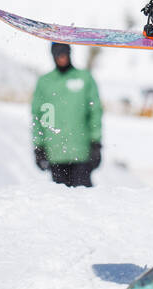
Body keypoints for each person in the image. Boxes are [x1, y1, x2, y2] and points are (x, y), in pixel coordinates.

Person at [31, 42, 103, 187]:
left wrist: (96, 143)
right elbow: (38, 116)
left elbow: (95, 112)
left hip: (81, 152)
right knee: (61, 199)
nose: (61, 58)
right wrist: (39, 146)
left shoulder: (84, 78)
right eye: (58, 55)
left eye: (64, 54)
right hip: (55, 153)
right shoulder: (45, 82)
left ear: (69, 54)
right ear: (53, 56)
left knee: (84, 197)